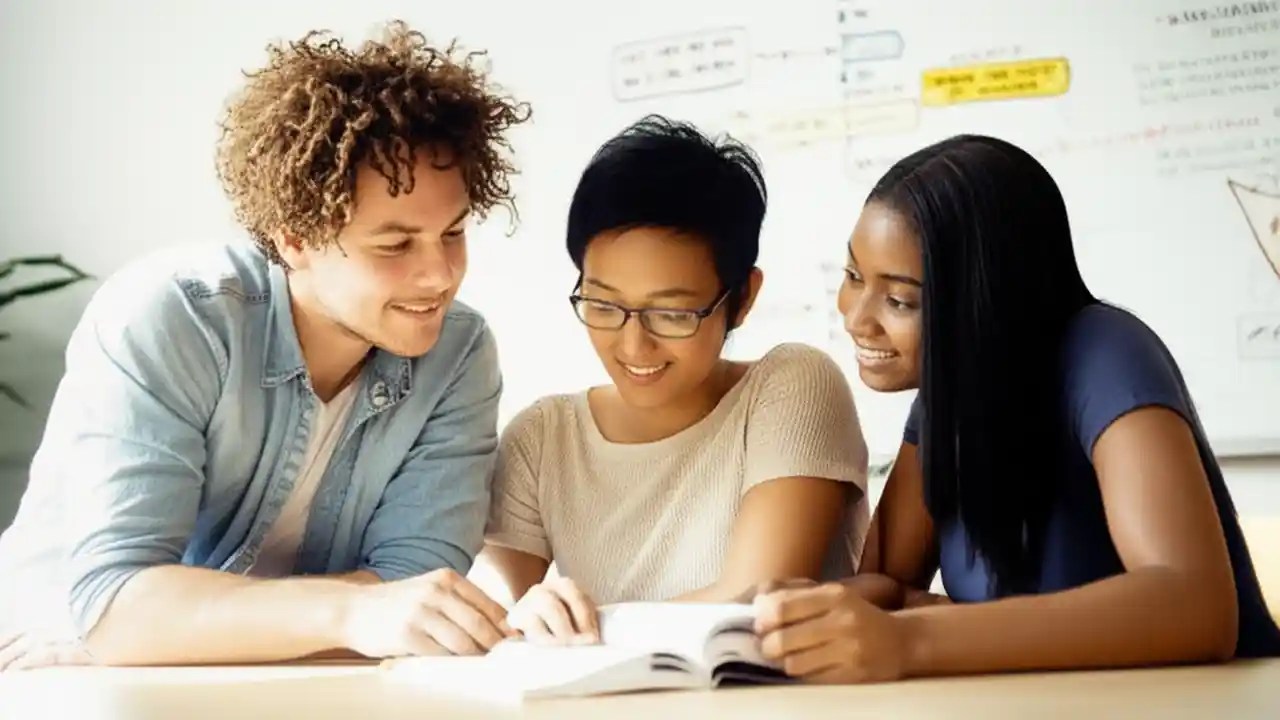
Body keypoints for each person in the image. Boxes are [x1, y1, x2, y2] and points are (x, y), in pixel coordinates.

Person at [0, 21, 532, 671]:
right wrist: (354, 611)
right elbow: (117, 608)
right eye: (394, 245)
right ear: (294, 240)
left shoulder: (458, 353)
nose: (440, 275)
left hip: (285, 681)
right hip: (53, 670)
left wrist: (193, 617)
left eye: (452, 233)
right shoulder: (178, 317)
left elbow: (416, 590)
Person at [752, 134, 1280, 683]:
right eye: (853, 276)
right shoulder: (947, 394)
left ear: (988, 295)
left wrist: (913, 638)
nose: (856, 318)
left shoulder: (1107, 353)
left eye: (901, 299)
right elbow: (887, 585)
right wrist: (791, 612)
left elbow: (1194, 606)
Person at [478, 115, 870, 643]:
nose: (633, 345)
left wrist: (577, 630)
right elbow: (500, 622)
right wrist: (526, 618)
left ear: (743, 298)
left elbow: (754, 599)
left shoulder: (792, 386)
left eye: (673, 314)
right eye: (603, 305)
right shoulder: (542, 437)